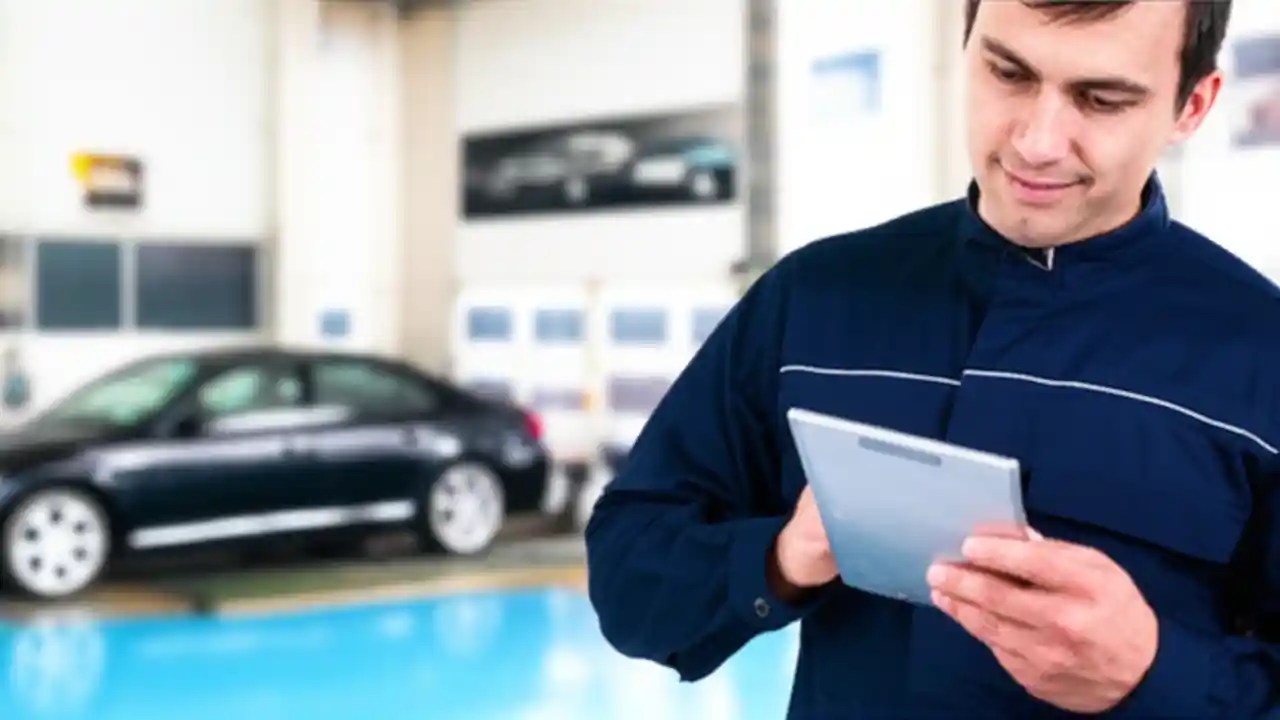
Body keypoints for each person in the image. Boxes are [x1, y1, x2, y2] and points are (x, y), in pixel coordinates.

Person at [585, 1, 1280, 717]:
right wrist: (784, 557)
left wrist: (1157, 671)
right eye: (1008, 73)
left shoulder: (1263, 353)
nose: (1037, 142)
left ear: (1191, 105)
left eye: (1101, 99)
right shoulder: (815, 299)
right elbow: (629, 569)